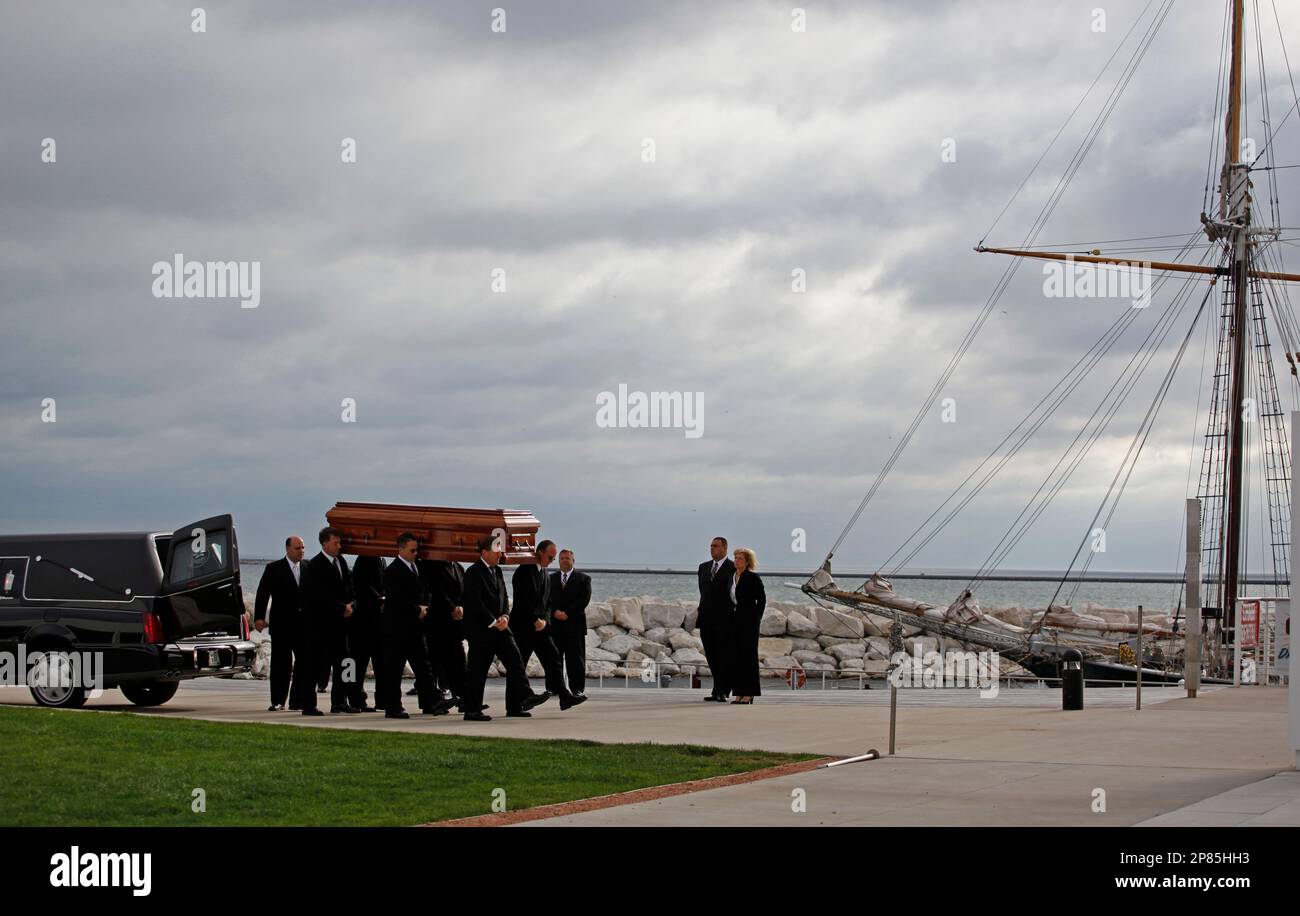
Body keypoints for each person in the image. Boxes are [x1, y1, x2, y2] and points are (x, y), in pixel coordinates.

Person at [461, 534, 547, 721]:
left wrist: (505, 616)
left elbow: (504, 598)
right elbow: (475, 602)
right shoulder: (473, 573)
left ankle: (522, 698)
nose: (499, 554)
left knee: (516, 661)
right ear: (484, 552)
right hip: (482, 631)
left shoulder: (497, 571)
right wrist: (493, 621)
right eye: (496, 551)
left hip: (501, 628)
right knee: (478, 670)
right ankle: (472, 710)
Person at [379, 533, 451, 719]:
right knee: (395, 669)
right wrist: (416, 609)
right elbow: (395, 600)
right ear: (400, 549)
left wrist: (424, 606)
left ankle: (431, 703)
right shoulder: (392, 571)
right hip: (398, 628)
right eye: (412, 550)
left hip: (416, 627)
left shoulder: (417, 567)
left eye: (417, 550)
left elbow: (426, 589)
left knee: (424, 667)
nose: (416, 553)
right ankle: (393, 707)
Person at [512, 540, 586, 711]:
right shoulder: (524, 571)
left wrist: (545, 620)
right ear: (539, 552)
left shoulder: (544, 573)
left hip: (541, 629)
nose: (552, 560)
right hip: (523, 628)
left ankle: (564, 696)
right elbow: (522, 600)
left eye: (554, 558)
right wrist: (534, 619)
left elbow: (548, 602)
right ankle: (514, 705)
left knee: (553, 659)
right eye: (551, 557)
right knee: (518, 664)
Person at [301, 526, 357, 715]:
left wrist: (351, 604)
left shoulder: (340, 561)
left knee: (345, 663)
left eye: (340, 542)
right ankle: (308, 704)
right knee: (315, 665)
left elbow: (349, 586)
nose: (339, 546)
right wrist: (341, 608)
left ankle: (340, 701)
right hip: (320, 625)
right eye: (335, 543)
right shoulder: (314, 566)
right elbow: (318, 596)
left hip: (341, 626)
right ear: (325, 543)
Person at [252, 535, 308, 711]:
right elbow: (263, 593)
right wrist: (259, 617)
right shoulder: (274, 568)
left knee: (305, 662)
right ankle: (277, 701)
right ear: (288, 549)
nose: (302, 551)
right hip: (281, 625)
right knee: (281, 665)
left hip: (303, 625)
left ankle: (296, 700)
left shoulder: (308, 567)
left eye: (303, 548)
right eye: (298, 548)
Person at [421, 557, 473, 711]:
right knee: (434, 663)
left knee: (458, 662)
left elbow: (464, 592)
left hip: (454, 624)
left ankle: (464, 699)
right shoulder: (431, 565)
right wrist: (452, 608)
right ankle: (430, 703)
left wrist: (462, 607)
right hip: (437, 621)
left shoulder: (458, 566)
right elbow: (436, 590)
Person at [696, 536, 735, 701]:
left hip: (725, 619)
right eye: (711, 546)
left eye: (716, 546)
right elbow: (703, 592)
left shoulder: (733, 567)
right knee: (711, 655)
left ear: (725, 548)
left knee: (724, 655)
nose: (712, 549)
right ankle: (717, 689)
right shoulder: (703, 567)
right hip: (706, 618)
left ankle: (722, 690)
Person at [548, 548, 591, 697]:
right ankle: (553, 687)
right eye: (562, 559)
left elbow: (583, 600)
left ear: (573, 561)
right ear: (558, 561)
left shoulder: (584, 579)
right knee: (554, 659)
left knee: (576, 660)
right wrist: (554, 612)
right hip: (555, 625)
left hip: (575, 625)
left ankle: (577, 688)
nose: (564, 561)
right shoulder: (550, 578)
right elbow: (546, 599)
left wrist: (567, 613)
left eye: (567, 558)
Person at [729, 547, 766, 704]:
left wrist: (756, 618)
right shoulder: (732, 577)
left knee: (749, 658)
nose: (737, 560)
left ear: (747, 562)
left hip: (749, 622)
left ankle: (749, 693)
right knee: (736, 657)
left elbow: (762, 600)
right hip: (735, 622)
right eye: (736, 558)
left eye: (740, 558)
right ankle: (738, 692)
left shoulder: (753, 578)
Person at [349, 554, 385, 712]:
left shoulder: (380, 559)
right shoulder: (366, 558)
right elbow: (362, 585)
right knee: (356, 663)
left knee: (380, 663)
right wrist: (380, 599)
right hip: (363, 621)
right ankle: (355, 698)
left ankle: (382, 699)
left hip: (376, 621)